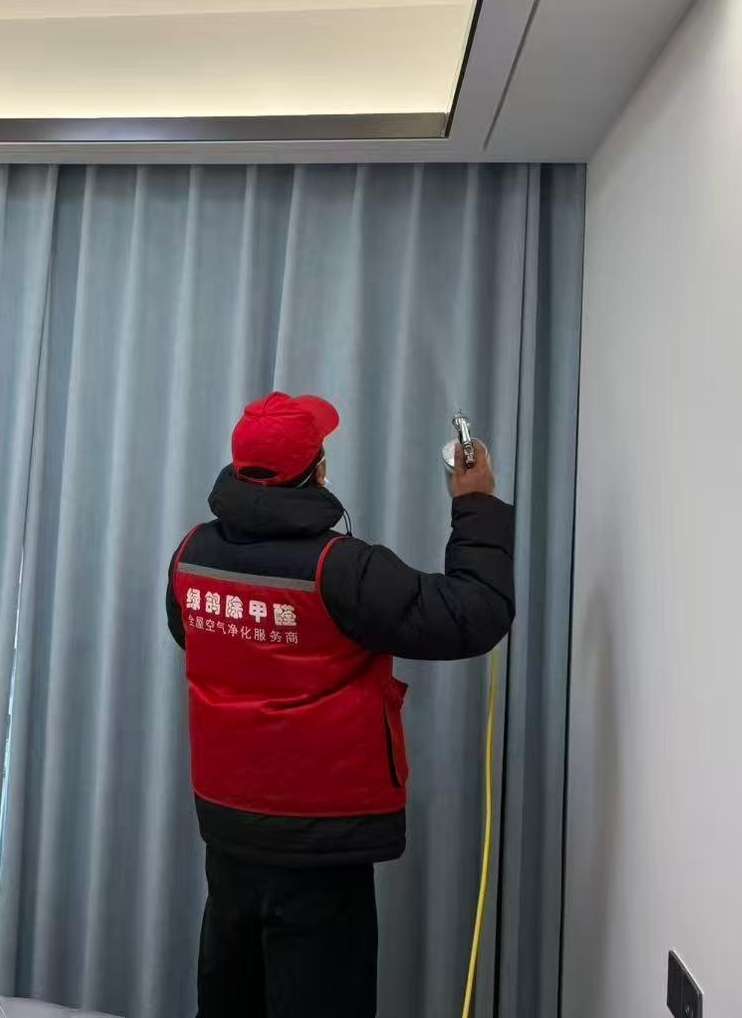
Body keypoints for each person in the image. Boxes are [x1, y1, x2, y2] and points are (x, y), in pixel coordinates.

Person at [166, 392, 515, 1018]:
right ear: (317, 472)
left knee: (230, 997)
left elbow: (189, 634)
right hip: (320, 846)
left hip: (229, 830)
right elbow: (475, 614)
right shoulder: (342, 568)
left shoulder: (191, 555)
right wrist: (476, 503)